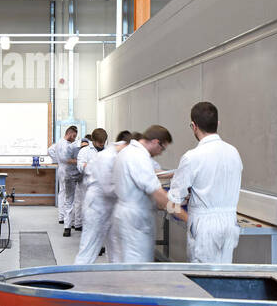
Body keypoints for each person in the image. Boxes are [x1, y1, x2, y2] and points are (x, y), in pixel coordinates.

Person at [167, 101, 244, 264]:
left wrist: (179, 213)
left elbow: (173, 202)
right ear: (218, 124)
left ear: (193, 126)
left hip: (204, 226)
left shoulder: (192, 157)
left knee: (202, 278)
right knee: (225, 276)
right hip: (229, 223)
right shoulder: (234, 152)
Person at [110, 125, 173, 263]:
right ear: (156, 142)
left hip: (124, 215)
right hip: (135, 219)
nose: (161, 153)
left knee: (123, 263)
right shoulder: (138, 157)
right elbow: (157, 193)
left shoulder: (127, 153)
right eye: (162, 148)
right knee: (136, 267)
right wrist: (181, 212)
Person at [73, 129, 117, 265]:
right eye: (99, 143)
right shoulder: (84, 151)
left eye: (103, 143)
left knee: (114, 243)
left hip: (108, 200)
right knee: (90, 238)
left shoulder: (110, 151)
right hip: (90, 194)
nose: (101, 145)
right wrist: (95, 165)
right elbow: (81, 167)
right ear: (93, 141)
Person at [47, 125, 82, 237]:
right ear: (70, 133)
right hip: (66, 170)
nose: (74, 138)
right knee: (66, 195)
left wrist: (58, 160)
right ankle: (64, 218)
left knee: (63, 193)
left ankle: (63, 217)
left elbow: (50, 150)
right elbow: (64, 158)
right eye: (74, 136)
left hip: (63, 169)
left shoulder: (60, 143)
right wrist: (76, 161)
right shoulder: (63, 144)